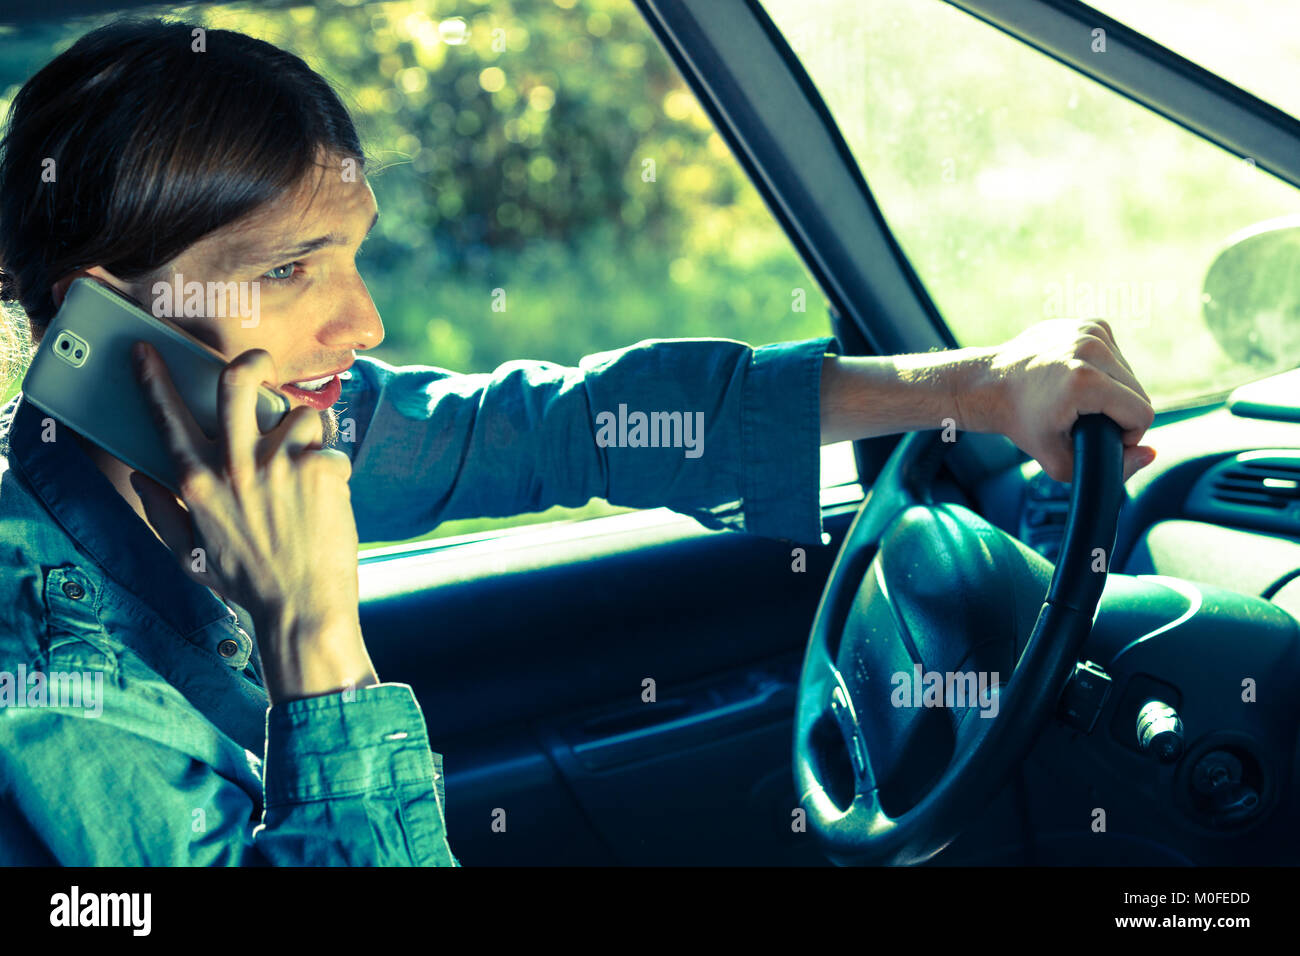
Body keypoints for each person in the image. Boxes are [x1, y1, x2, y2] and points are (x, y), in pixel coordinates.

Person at [0, 18, 1154, 865]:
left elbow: (570, 425)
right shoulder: (46, 685)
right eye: (288, 269)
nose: (364, 325)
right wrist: (312, 638)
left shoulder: (246, 440)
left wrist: (977, 385)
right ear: (114, 321)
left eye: (351, 254)